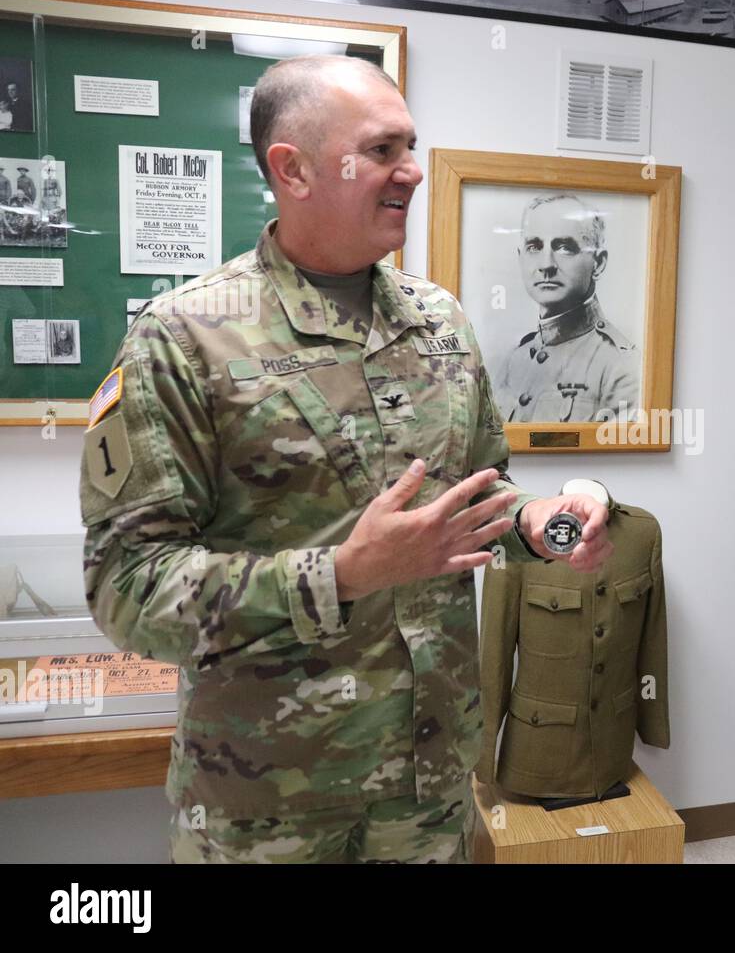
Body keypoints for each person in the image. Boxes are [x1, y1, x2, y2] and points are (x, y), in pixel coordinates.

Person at [79, 54, 614, 864]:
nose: (413, 171)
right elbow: (126, 587)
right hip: (270, 805)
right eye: (383, 150)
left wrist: (534, 520)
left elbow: (480, 486)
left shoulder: (438, 322)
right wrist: (341, 576)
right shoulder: (185, 338)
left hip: (429, 783)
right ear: (291, 169)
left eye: (412, 146)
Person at [493, 193, 640, 423]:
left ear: (598, 263)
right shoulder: (514, 361)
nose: (546, 265)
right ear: (521, 258)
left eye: (564, 247)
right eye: (534, 247)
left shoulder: (621, 366)